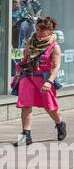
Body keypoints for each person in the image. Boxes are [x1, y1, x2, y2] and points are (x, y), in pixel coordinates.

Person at [10, 15, 66, 146]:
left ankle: (59, 124)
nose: (40, 32)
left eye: (43, 29)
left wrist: (49, 81)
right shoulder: (31, 41)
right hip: (28, 76)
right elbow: (25, 58)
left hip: (44, 78)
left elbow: (56, 66)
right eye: (38, 29)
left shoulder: (54, 47)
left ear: (50, 30)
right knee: (25, 104)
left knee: (49, 106)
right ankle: (26, 135)